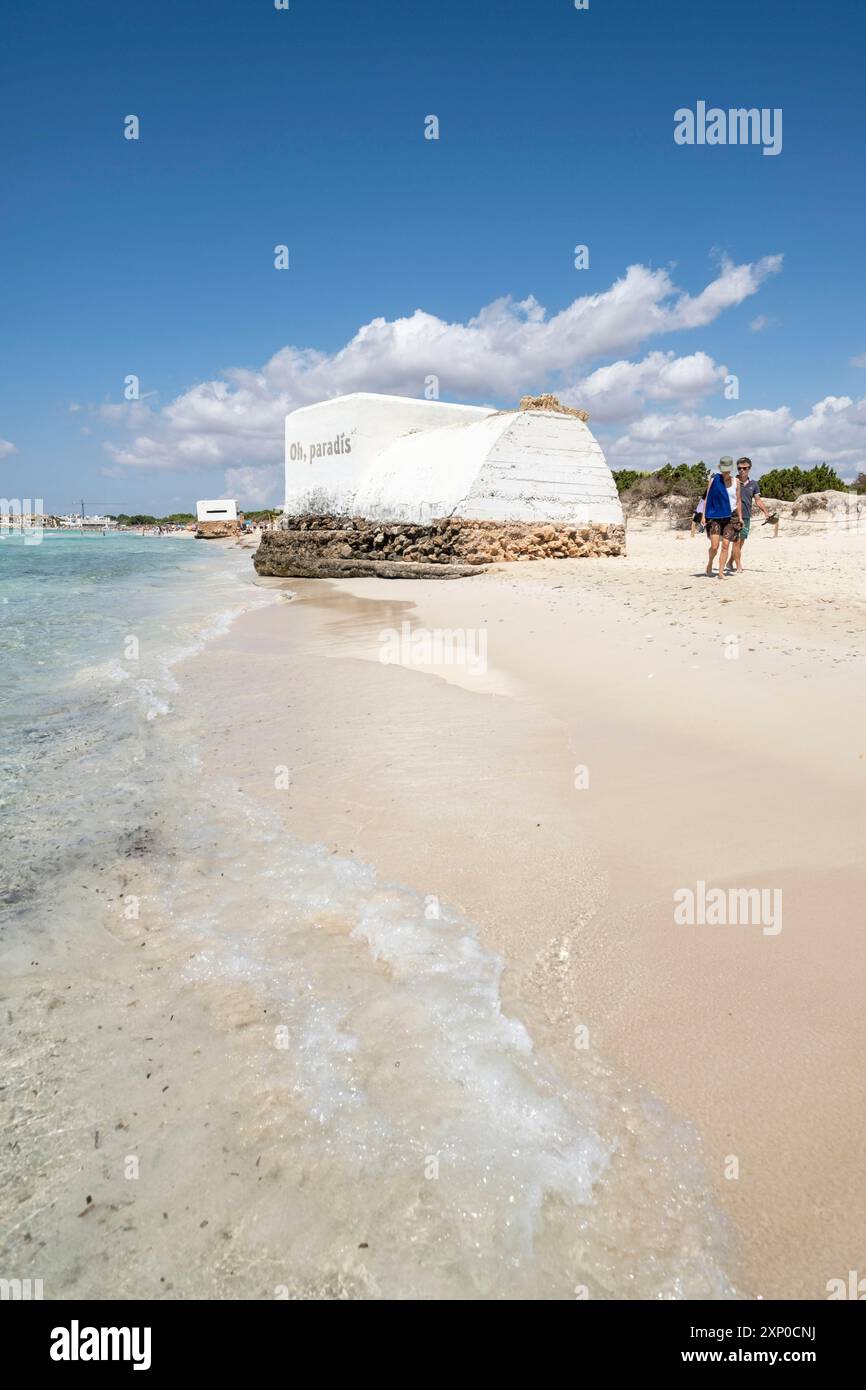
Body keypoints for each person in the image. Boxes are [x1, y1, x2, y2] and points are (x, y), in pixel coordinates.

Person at [727, 457, 773, 572]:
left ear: (749, 468)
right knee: (736, 541)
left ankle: (730, 562)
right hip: (733, 516)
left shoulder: (754, 484)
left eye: (744, 468)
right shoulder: (731, 482)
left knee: (741, 541)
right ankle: (738, 566)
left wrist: (766, 513)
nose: (742, 470)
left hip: (746, 516)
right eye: (739, 468)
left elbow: (758, 500)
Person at [701, 457, 741, 580]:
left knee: (725, 544)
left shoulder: (736, 482)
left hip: (731, 516)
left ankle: (720, 572)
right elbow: (707, 498)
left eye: (728, 470)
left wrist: (740, 517)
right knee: (714, 546)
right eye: (724, 470)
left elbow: (738, 500)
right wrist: (703, 515)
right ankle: (710, 563)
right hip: (715, 515)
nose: (726, 473)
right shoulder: (714, 480)